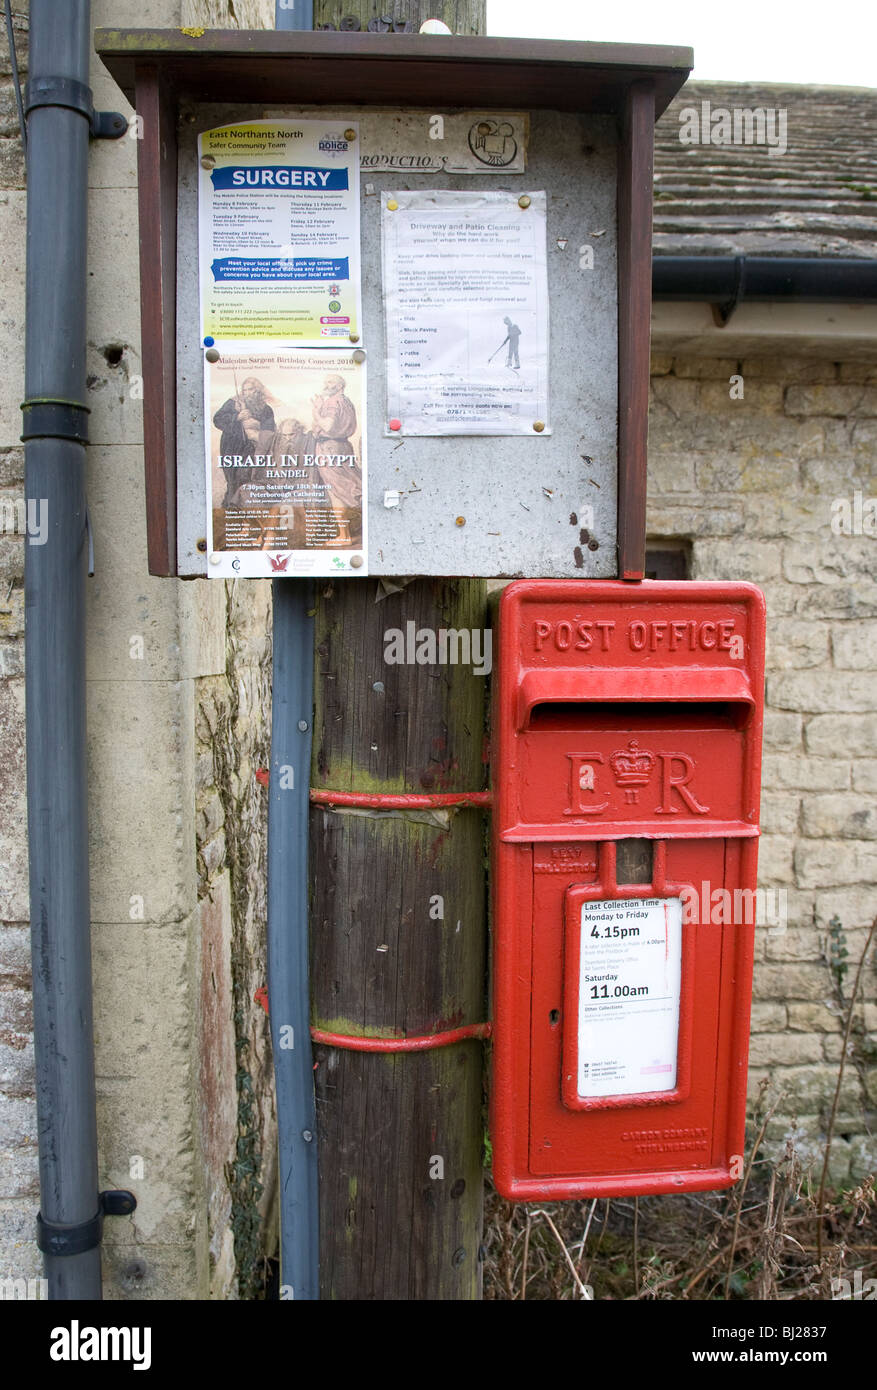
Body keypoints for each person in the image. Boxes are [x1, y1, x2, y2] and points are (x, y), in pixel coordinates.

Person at [213, 377, 275, 507]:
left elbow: (269, 431)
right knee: (233, 481)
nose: (247, 393)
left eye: (251, 389)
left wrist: (254, 423)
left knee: (248, 481)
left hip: (254, 450)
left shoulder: (266, 408)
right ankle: (229, 514)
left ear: (258, 390)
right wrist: (237, 417)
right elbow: (218, 420)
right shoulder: (233, 403)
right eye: (245, 390)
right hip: (232, 448)